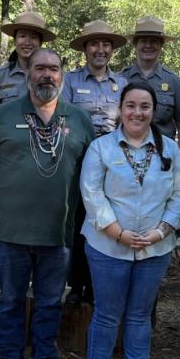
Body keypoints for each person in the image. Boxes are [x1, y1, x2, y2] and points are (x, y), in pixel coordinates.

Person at [0, 48, 95, 359]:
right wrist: (12, 185)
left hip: (58, 231)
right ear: (29, 72)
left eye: (54, 69)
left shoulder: (78, 119)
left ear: (62, 75)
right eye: (40, 68)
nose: (47, 75)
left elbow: (91, 171)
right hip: (10, 230)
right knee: (11, 299)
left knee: (49, 301)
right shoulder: (3, 115)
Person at [79, 82, 180, 359]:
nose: (137, 112)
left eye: (144, 106)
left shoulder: (169, 150)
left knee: (140, 316)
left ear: (153, 111)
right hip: (107, 247)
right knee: (107, 314)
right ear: (120, 109)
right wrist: (118, 232)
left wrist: (161, 232)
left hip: (154, 249)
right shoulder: (102, 148)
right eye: (131, 105)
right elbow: (92, 193)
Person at [61, 20, 128, 306]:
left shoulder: (122, 84)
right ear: (85, 49)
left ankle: (98, 285)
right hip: (78, 163)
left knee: (107, 223)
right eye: (94, 44)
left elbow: (128, 124)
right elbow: (61, 120)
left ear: (111, 50)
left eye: (105, 44)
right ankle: (76, 285)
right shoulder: (70, 81)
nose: (100, 50)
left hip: (112, 165)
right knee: (78, 224)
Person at [121, 16, 180, 156]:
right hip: (126, 155)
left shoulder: (173, 81)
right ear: (135, 44)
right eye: (143, 41)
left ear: (161, 45)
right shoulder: (121, 79)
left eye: (154, 41)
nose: (148, 45)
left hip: (163, 156)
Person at [0, 11, 56, 114]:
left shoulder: (51, 76)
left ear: (40, 43)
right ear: (15, 41)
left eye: (33, 37)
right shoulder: (2, 74)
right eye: (22, 36)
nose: (27, 42)